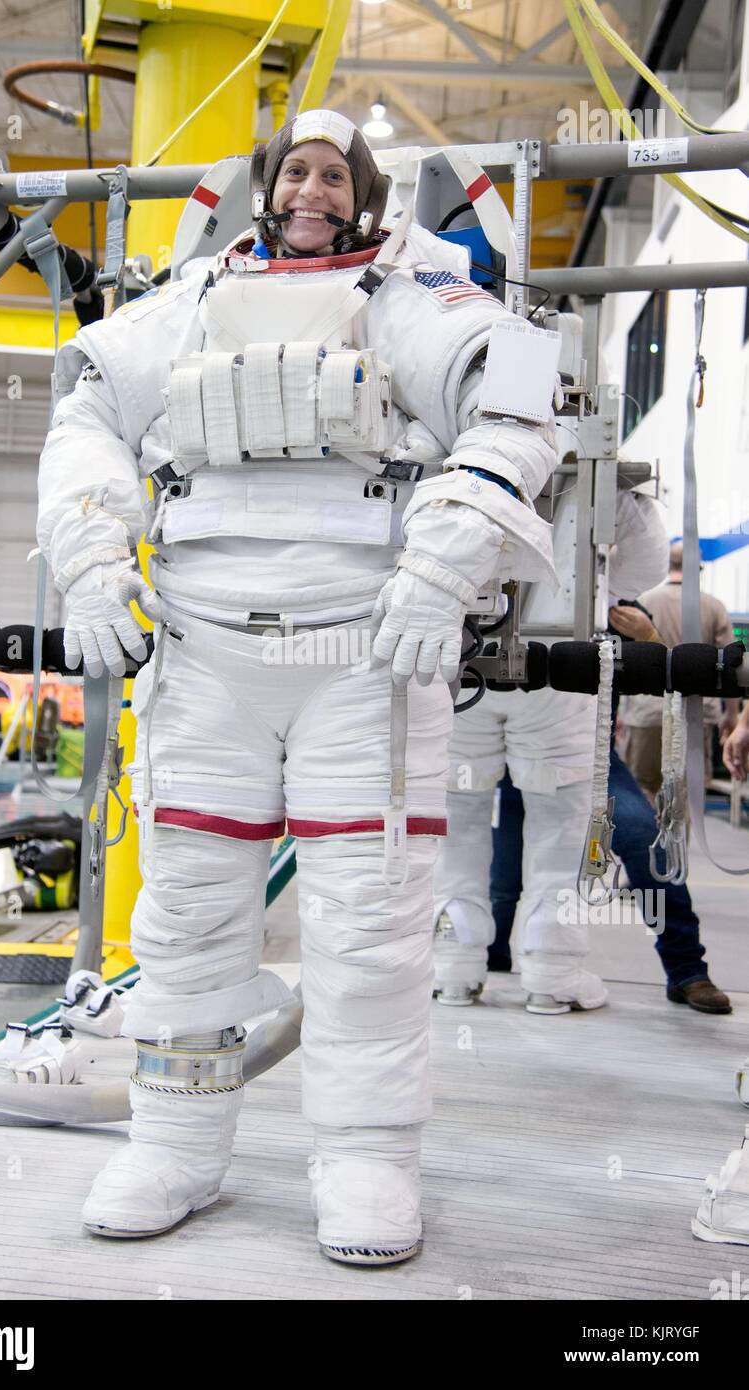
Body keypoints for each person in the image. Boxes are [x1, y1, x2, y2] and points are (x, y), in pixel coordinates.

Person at [37, 109, 559, 1263]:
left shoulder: (413, 295)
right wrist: (87, 560)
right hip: (203, 656)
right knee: (183, 917)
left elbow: (518, 409)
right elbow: (82, 419)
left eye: (333, 173)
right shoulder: (186, 303)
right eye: (293, 171)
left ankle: (367, 1156)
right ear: (263, 191)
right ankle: (175, 1137)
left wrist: (442, 565)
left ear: (366, 197)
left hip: (364, 659)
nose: (309, 188)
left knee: (366, 927)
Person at [433, 483, 669, 1014]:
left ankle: (455, 965)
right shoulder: (589, 466)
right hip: (558, 665)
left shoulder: (448, 452)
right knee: (559, 824)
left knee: (457, 819)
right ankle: (552, 972)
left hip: (462, 666)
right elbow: (642, 569)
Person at [621, 542, 739, 799]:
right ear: (698, 568)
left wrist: (618, 711)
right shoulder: (714, 606)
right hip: (696, 714)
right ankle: (677, 840)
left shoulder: (642, 602)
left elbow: (621, 660)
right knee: (685, 795)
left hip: (647, 712)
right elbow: (733, 666)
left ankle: (649, 840)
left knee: (643, 791)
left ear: (667, 565)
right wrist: (732, 715)